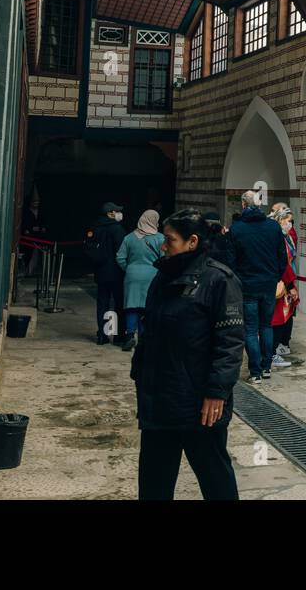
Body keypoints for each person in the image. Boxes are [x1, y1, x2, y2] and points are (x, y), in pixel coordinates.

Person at [132, 210, 243, 501]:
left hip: (199, 402)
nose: (163, 245)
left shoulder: (219, 280)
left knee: (215, 478)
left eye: (169, 240)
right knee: (154, 482)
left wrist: (217, 392)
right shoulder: (163, 276)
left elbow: (229, 343)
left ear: (192, 241)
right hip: (160, 398)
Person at [228, 190, 286, 383]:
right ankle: (266, 367)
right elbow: (282, 257)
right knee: (266, 325)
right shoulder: (273, 227)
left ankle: (255, 372)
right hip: (268, 283)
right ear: (259, 205)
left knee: (251, 329)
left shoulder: (237, 229)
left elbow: (232, 261)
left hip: (247, 285)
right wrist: (275, 276)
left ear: (243, 205)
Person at [116, 209, 164, 351]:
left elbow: (119, 257)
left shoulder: (129, 237)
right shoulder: (160, 238)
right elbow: (164, 258)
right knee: (146, 308)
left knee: (131, 307)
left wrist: (129, 268)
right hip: (152, 275)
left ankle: (130, 335)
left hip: (132, 275)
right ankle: (143, 338)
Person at [85, 202, 126, 345]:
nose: (119, 213)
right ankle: (117, 336)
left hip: (101, 271)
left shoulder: (94, 227)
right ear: (110, 214)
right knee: (118, 304)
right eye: (116, 211)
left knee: (103, 303)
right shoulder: (117, 229)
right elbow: (122, 250)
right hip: (116, 271)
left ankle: (103, 335)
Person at [269, 206, 299, 370]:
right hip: (280, 283)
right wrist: (290, 285)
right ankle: (271, 352)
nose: (290, 225)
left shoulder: (287, 237)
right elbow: (283, 263)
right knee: (277, 319)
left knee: (283, 318)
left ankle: (273, 350)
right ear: (280, 221)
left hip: (286, 281)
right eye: (288, 221)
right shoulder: (277, 238)